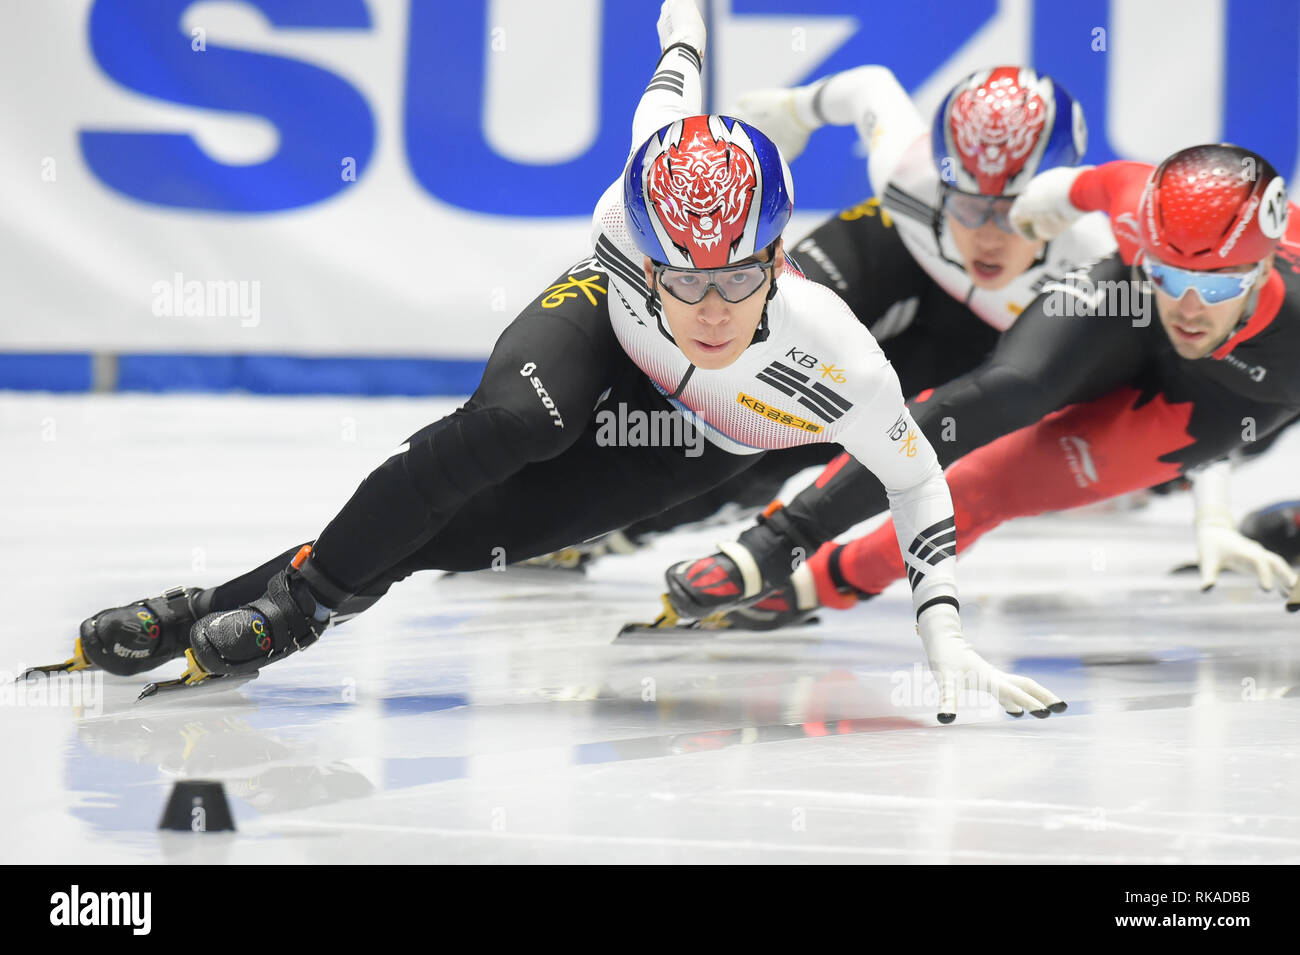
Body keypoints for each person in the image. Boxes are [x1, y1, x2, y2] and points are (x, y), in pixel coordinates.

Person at [27, 1, 1063, 724]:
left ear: (779, 259)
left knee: (470, 536)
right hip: (599, 325)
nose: (707, 308)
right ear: (643, 241)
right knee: (520, 424)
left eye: (735, 281)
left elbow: (918, 477)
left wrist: (941, 635)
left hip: (696, 435)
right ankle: (304, 608)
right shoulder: (631, 197)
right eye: (683, 277)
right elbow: (681, 36)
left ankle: (214, 601)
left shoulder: (833, 350)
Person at [657, 143, 1300, 628]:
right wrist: (1059, 201)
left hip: (1221, 402)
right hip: (1120, 306)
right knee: (1005, 389)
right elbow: (1094, 185)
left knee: (993, 484)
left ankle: (813, 587)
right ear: (1147, 242)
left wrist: (1217, 510)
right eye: (1170, 272)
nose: (1188, 306)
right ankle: (771, 545)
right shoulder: (1139, 214)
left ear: (1266, 262)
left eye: (1216, 285)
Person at [526, 63, 1116, 573]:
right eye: (964, 202)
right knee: (740, 350)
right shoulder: (907, 177)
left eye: (1012, 213)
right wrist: (793, 111)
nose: (985, 235)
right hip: (894, 250)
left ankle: (622, 528)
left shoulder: (1096, 263)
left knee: (819, 424)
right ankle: (551, 481)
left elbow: (1192, 352)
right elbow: (868, 87)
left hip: (981, 331)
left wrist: (1211, 497)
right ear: (941, 181)